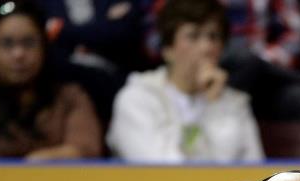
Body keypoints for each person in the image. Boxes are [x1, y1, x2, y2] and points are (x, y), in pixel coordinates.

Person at [107, 0, 264, 162]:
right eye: (193, 36)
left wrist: (217, 107)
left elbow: (252, 171)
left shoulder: (234, 103)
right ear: (168, 49)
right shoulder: (137, 99)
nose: (206, 47)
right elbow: (160, 170)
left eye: (213, 36)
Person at [0, 1, 103, 160]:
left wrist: (39, 164)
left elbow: (86, 152)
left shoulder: (72, 98)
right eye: (7, 44)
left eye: (29, 43)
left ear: (44, 48)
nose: (18, 54)